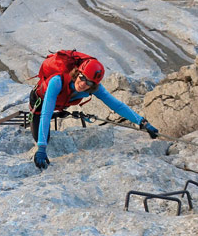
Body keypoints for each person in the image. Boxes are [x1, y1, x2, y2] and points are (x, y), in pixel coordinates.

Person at [29, 50, 159, 169]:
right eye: (82, 77)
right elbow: (46, 114)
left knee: (46, 134)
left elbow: (117, 105)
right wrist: (41, 147)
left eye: (89, 82)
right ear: (77, 73)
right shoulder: (57, 81)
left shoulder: (94, 88)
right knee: (44, 139)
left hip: (62, 103)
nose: (83, 84)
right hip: (39, 102)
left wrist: (143, 122)